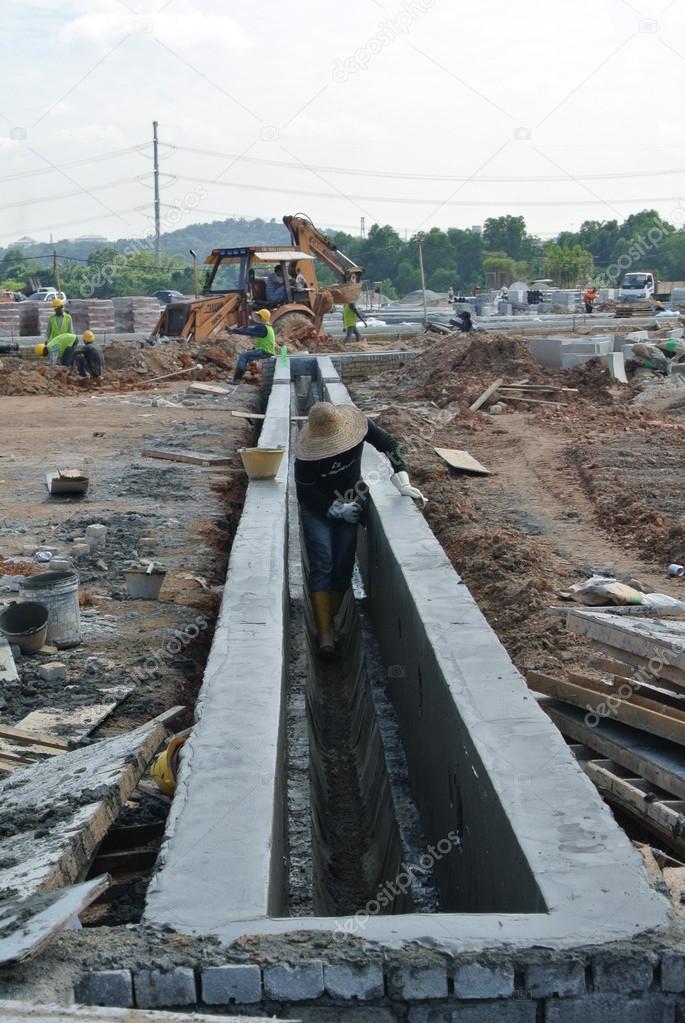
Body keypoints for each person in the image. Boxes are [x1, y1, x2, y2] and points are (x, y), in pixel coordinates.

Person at [295, 401, 426, 659]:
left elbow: (390, 445)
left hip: (352, 501)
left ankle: (329, 620)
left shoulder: (359, 427)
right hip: (318, 510)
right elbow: (305, 493)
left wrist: (402, 480)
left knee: (343, 566)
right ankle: (325, 635)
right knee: (323, 562)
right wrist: (335, 509)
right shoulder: (306, 457)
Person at [228, 309, 277, 383]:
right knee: (247, 356)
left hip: (264, 351)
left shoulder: (262, 327)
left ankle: (237, 379)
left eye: (259, 316)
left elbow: (249, 331)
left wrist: (234, 330)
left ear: (262, 318)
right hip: (267, 350)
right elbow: (263, 340)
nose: (257, 318)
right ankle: (242, 377)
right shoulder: (268, 327)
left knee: (243, 356)